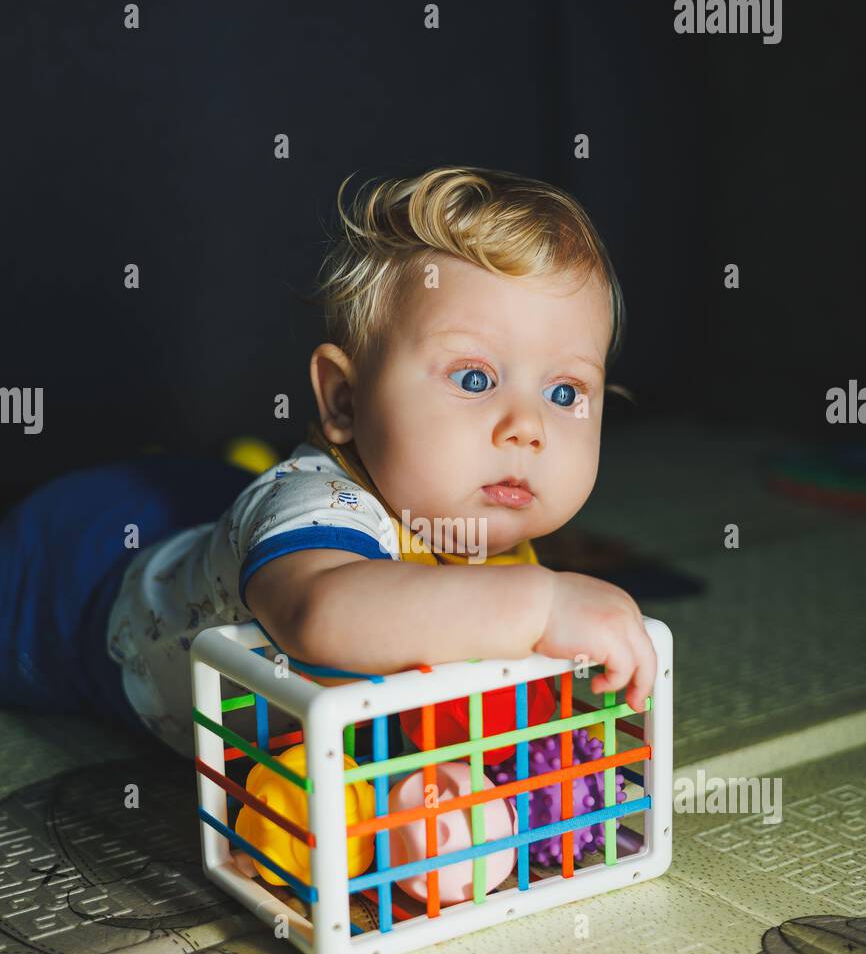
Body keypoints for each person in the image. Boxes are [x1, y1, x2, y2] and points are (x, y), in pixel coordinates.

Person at [0, 165, 656, 757]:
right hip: (66, 584)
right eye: (475, 379)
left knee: (216, 499)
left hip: (200, 515)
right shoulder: (319, 509)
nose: (527, 428)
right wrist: (541, 606)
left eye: (565, 392)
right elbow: (323, 613)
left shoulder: (493, 543)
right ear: (344, 398)